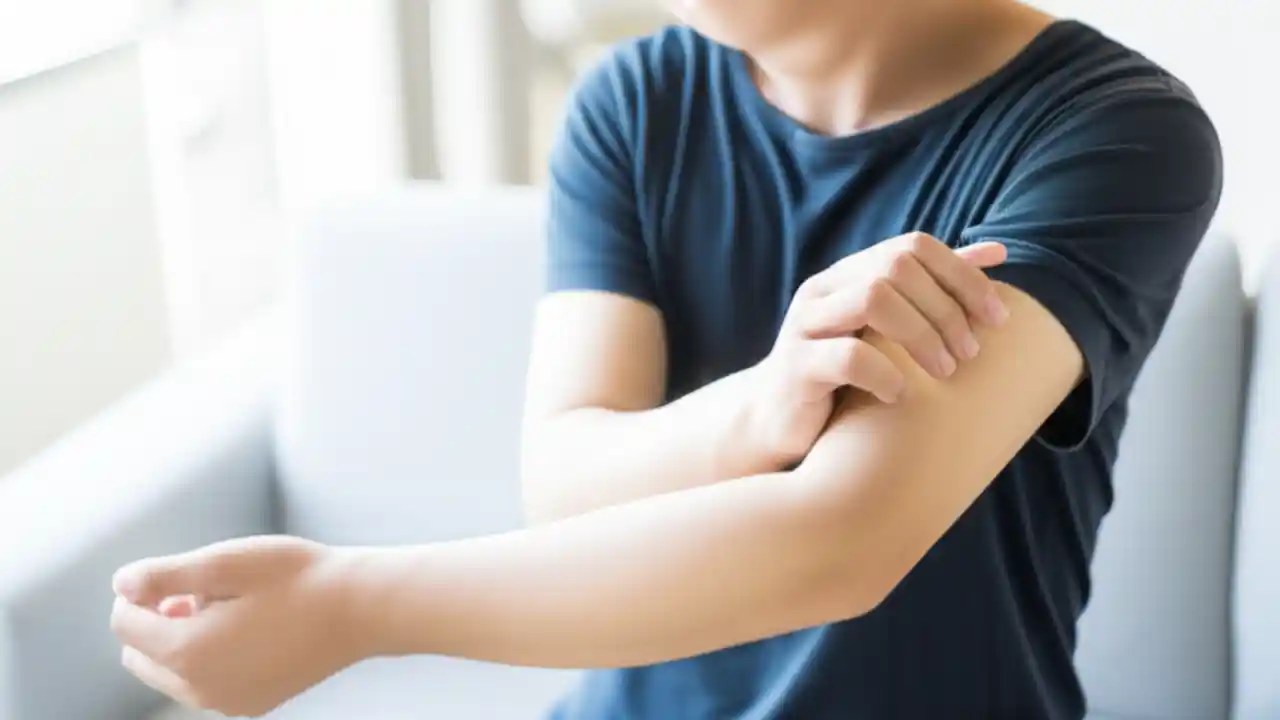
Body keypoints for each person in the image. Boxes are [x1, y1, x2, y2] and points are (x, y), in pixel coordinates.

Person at [108, 0, 1222, 717]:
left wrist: (350, 607)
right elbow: (563, 482)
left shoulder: (1112, 131)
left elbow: (839, 543)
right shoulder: (632, 103)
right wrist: (761, 406)